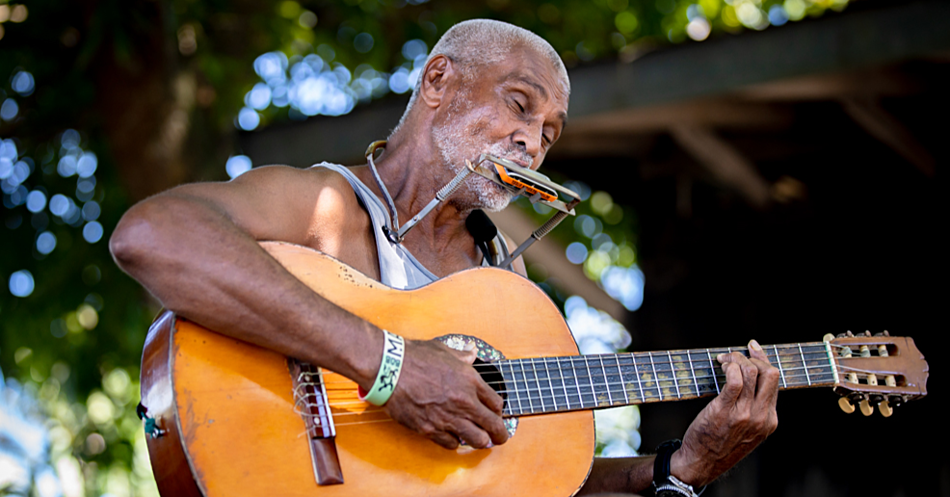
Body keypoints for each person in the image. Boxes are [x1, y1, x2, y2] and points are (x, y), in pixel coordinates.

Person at [110, 19, 778, 496]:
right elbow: (152, 233)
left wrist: (677, 467)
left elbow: (529, 477)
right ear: (438, 81)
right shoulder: (325, 201)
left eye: (549, 132)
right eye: (519, 105)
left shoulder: (500, 280)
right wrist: (388, 363)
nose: (531, 142)